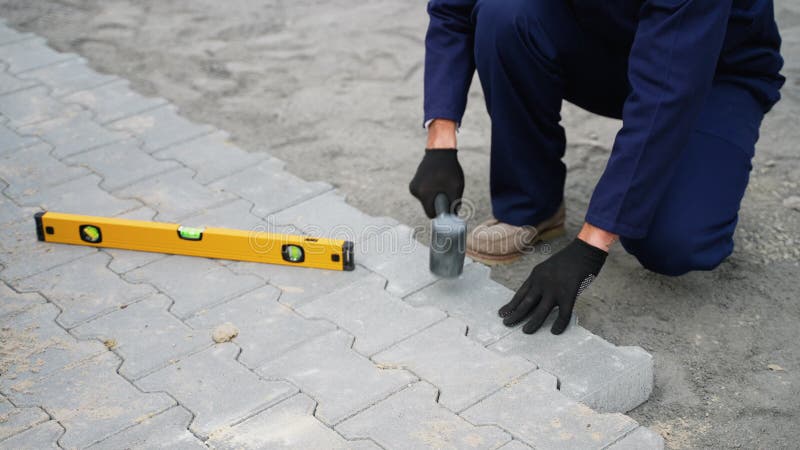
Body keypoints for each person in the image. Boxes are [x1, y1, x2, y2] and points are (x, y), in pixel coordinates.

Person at [409, 0, 784, 335]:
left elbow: (666, 94)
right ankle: (533, 207)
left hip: (713, 68)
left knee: (673, 245)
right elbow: (452, 9)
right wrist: (440, 141)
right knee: (504, 14)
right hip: (606, 43)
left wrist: (592, 244)